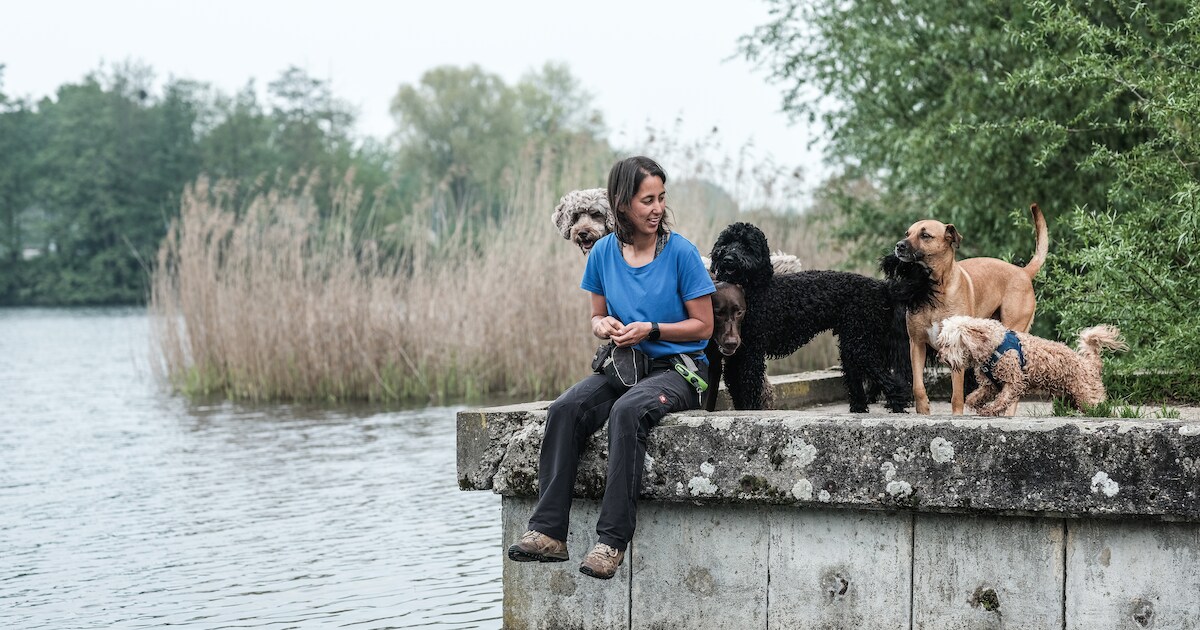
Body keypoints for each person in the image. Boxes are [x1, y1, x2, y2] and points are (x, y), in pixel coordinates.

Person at [507, 156, 715, 580]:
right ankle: (548, 533)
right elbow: (596, 316)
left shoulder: (681, 252)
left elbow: (705, 326)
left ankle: (611, 542)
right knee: (565, 408)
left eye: (661, 198)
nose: (657, 208)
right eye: (646, 200)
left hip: (681, 370)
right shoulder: (601, 252)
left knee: (628, 411)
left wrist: (651, 328)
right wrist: (604, 325)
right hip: (625, 366)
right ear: (622, 204)